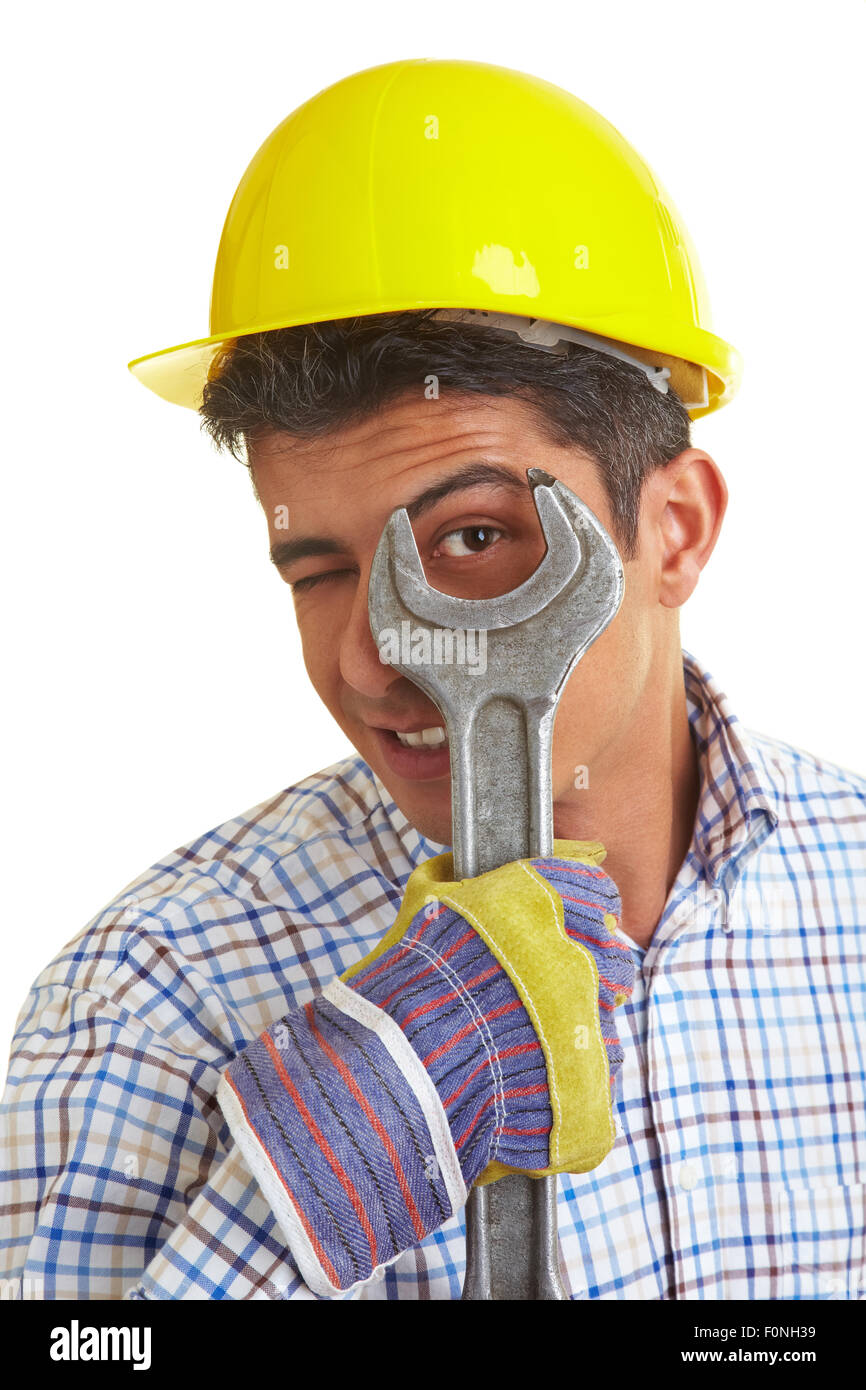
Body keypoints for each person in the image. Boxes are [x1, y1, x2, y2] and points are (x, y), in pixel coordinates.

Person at [1, 58, 864, 1302]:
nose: (370, 658)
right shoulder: (148, 997)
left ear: (672, 531)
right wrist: (326, 1164)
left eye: (470, 537)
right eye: (318, 569)